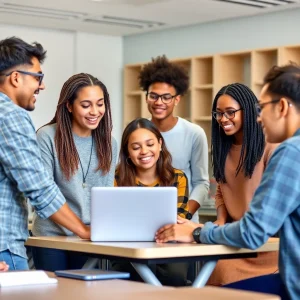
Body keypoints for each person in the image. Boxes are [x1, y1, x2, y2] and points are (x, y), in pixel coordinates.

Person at [156, 64, 300, 299]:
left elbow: (253, 232)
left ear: (282, 107)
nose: (259, 117)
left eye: (262, 108)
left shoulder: (290, 152)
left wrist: (198, 231)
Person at [0, 37, 89, 271]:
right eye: (38, 77)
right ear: (16, 77)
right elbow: (39, 187)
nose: (42, 85)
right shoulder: (10, 115)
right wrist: (84, 231)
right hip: (4, 250)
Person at [31, 73, 118, 271]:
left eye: (100, 104)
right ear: (69, 106)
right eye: (86, 105)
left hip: (89, 238)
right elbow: (43, 196)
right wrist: (82, 230)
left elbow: (106, 195)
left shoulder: (109, 144)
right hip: (51, 237)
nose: (95, 111)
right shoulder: (47, 137)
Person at [207, 83, 278, 285]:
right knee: (213, 269)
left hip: (267, 245)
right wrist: (221, 219)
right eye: (219, 114)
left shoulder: (270, 147)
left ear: (248, 111)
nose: (223, 119)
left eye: (230, 112)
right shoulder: (224, 149)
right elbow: (221, 189)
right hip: (234, 241)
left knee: (221, 271)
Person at [113, 118, 189, 286]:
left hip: (170, 246)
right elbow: (115, 221)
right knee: (124, 275)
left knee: (174, 276)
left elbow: (179, 221)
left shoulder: (178, 178)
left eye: (150, 144)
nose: (144, 151)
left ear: (160, 144)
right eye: (136, 147)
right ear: (127, 151)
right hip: (128, 248)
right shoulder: (116, 177)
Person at [139, 55, 209, 223]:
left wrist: (183, 216)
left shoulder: (194, 133)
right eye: (153, 96)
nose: (159, 102)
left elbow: (201, 184)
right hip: (145, 220)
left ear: (177, 99)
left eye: (166, 97)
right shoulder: (138, 132)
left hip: (184, 223)